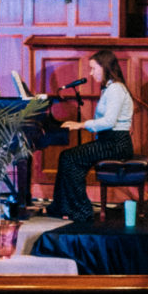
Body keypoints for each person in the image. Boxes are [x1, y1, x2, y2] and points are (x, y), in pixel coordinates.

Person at [53, 49, 136, 222]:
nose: (91, 73)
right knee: (67, 156)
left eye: (93, 68)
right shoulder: (109, 89)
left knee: (70, 158)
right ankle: (62, 206)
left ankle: (81, 211)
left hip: (117, 144)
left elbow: (108, 122)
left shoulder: (116, 89)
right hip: (109, 141)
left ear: (105, 67)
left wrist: (80, 125)